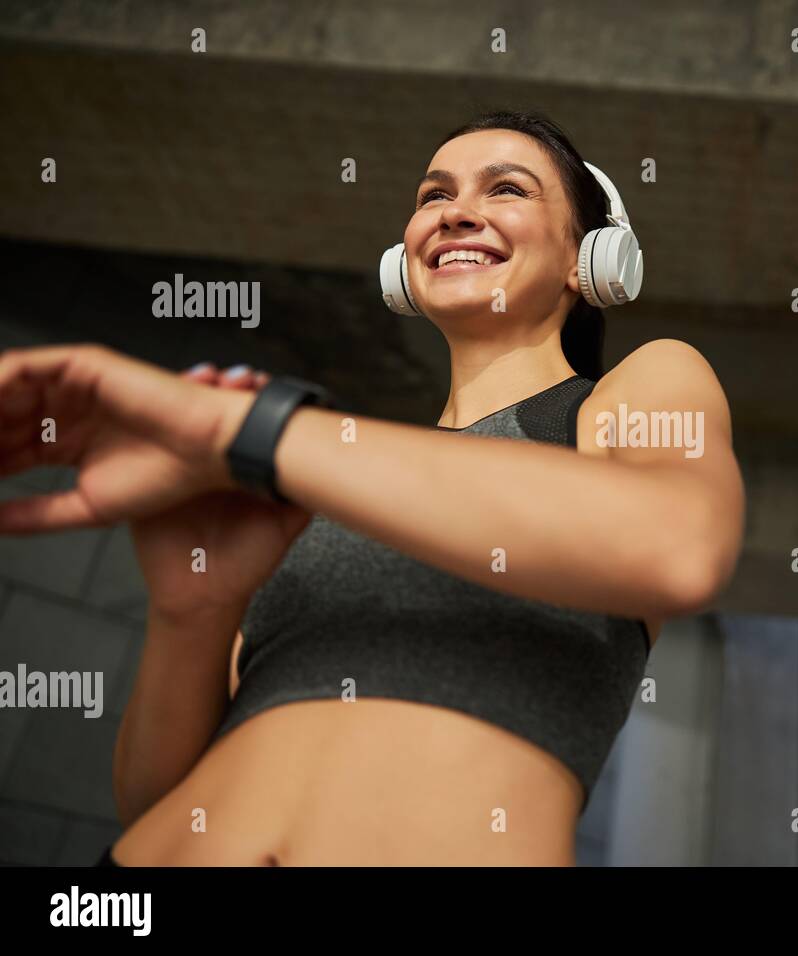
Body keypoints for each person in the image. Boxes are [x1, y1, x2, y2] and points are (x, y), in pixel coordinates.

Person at [0, 110, 745, 866]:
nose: (455, 211)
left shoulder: (635, 389)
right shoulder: (324, 483)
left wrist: (247, 430)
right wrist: (192, 607)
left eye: (507, 189)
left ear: (591, 260)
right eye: (433, 195)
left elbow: (679, 544)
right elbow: (153, 804)